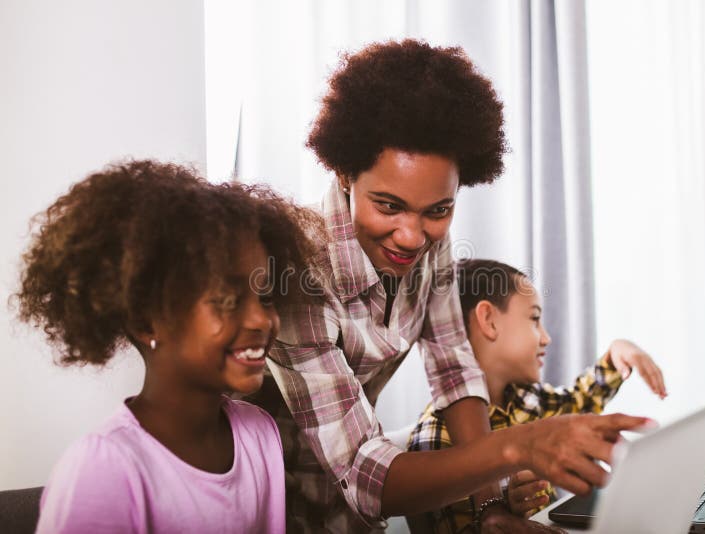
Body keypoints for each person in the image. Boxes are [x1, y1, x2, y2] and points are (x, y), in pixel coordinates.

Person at [250, 39, 653, 533]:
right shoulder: (301, 277)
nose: (412, 236)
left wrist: (490, 509)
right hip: (276, 510)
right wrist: (518, 447)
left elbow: (454, 370)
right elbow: (362, 472)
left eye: (438, 210)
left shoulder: (424, 243)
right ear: (344, 172)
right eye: (388, 205)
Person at [16, 160, 318, 533]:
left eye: (266, 296)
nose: (261, 320)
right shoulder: (104, 469)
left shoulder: (259, 434)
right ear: (148, 321)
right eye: (227, 299)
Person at [407, 259, 668, 532]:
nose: (546, 338)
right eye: (534, 319)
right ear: (488, 320)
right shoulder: (436, 437)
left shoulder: (529, 400)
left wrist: (616, 354)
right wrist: (507, 509)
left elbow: (580, 402)